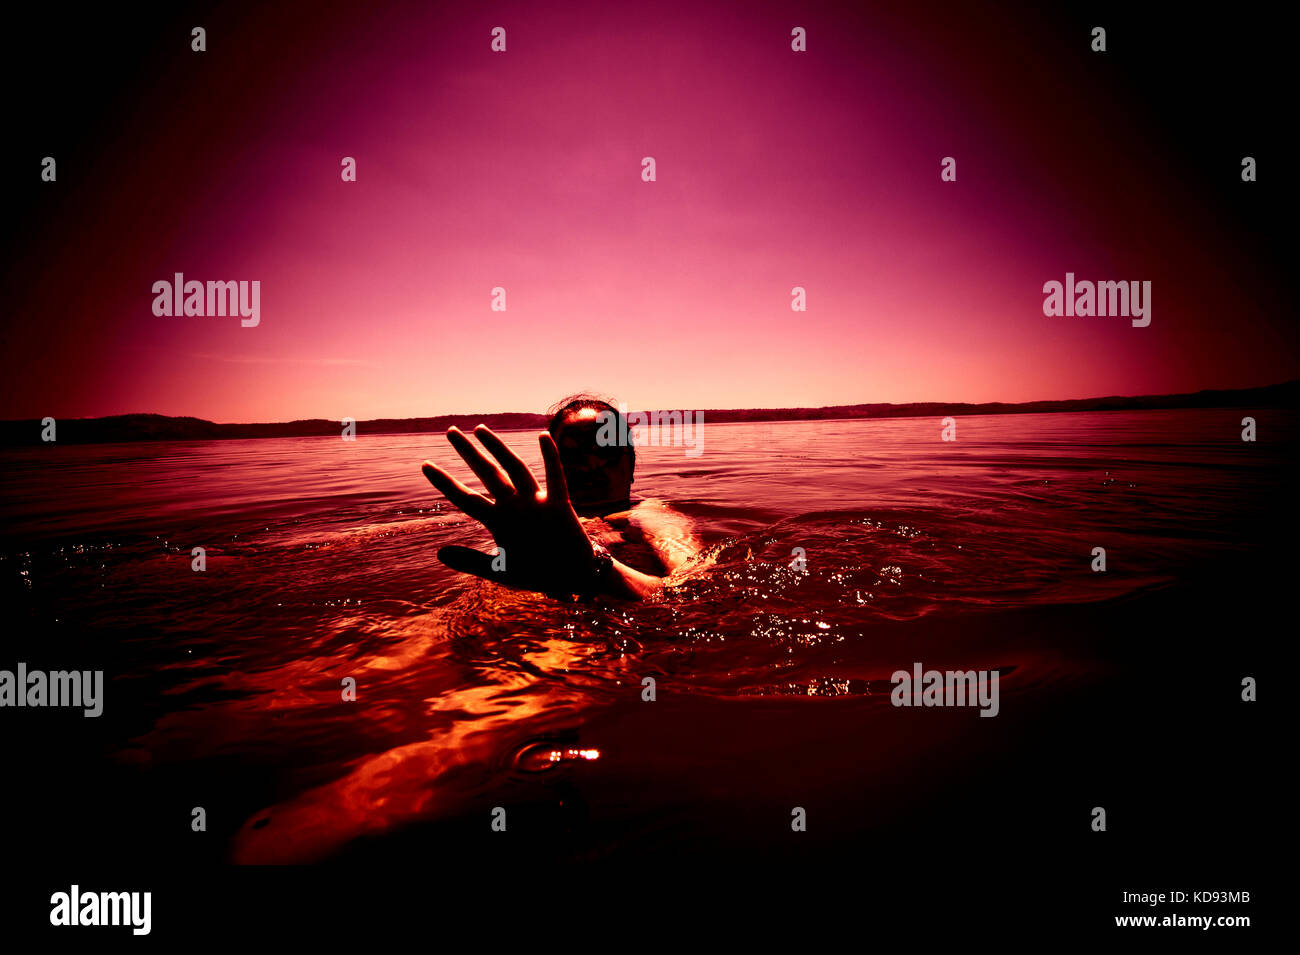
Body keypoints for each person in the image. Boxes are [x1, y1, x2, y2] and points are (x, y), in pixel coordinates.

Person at [421, 395, 701, 601]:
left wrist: (597, 568)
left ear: (631, 464)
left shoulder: (650, 516)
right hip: (509, 613)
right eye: (573, 454)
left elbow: (692, 586)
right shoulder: (522, 523)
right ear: (551, 462)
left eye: (605, 451)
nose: (590, 465)